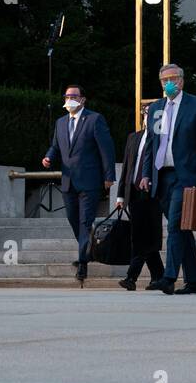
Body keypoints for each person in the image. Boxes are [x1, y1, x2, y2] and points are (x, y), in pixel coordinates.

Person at [137, 63, 196, 295]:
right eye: (164, 80)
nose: (168, 83)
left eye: (172, 79)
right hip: (163, 176)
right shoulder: (155, 109)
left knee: (174, 224)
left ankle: (169, 276)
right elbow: (151, 143)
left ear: (181, 80)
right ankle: (194, 281)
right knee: (183, 229)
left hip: (187, 175)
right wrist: (145, 173)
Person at [42, 85, 116, 285]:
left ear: (83, 99)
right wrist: (48, 157)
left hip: (89, 181)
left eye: (73, 96)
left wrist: (109, 176)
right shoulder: (60, 122)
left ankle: (83, 262)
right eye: (66, 96)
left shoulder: (94, 119)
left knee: (85, 221)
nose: (69, 99)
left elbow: (106, 149)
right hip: (68, 181)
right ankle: (87, 250)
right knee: (73, 219)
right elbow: (55, 146)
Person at [114, 104, 164, 290]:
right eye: (146, 113)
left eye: (152, 114)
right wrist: (120, 195)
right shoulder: (133, 137)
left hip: (152, 193)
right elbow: (127, 168)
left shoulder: (162, 139)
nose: (148, 116)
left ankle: (131, 277)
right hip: (133, 193)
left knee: (143, 236)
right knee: (144, 237)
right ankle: (159, 276)